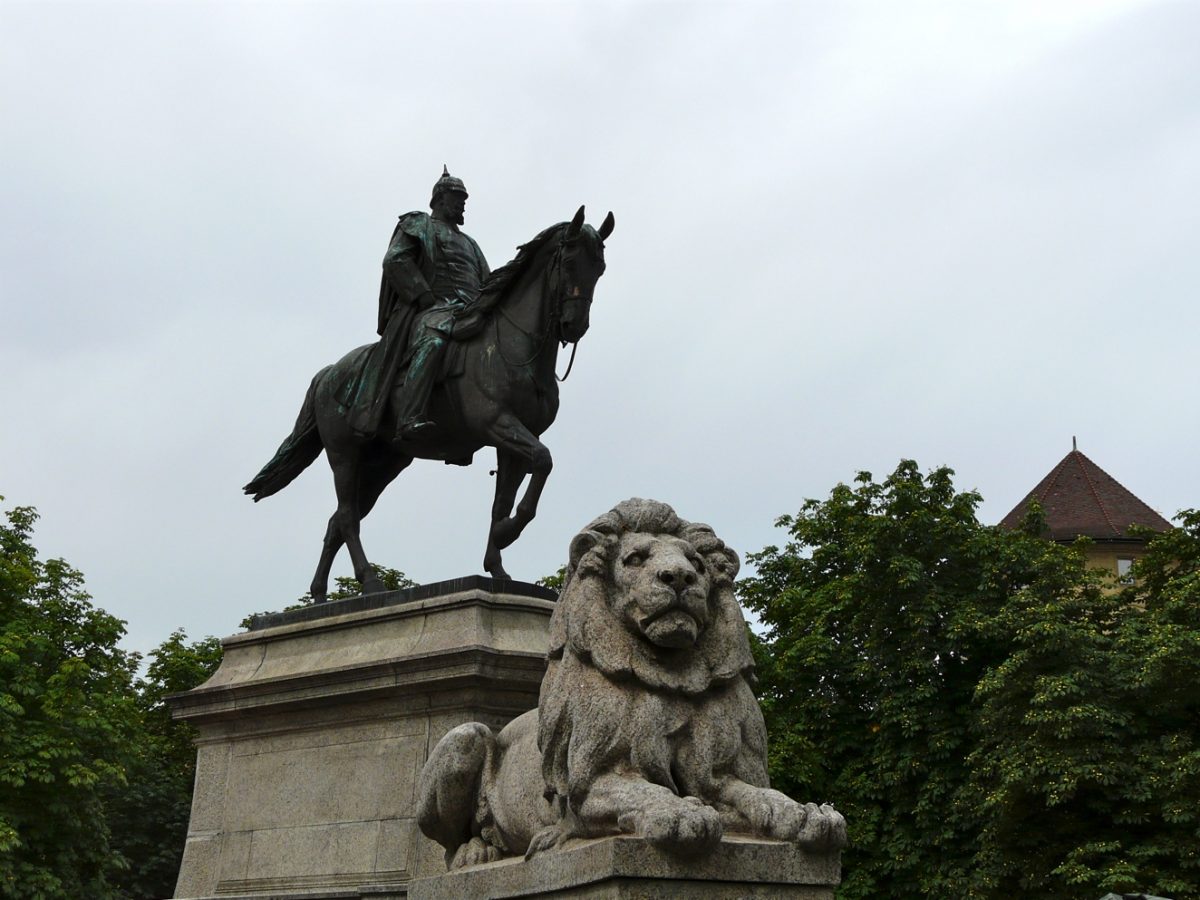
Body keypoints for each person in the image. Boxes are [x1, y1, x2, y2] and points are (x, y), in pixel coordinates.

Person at [347, 167, 490, 440]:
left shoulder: (470, 243)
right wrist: (423, 294)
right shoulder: (418, 224)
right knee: (434, 343)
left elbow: (486, 280)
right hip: (432, 309)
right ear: (439, 199)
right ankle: (409, 417)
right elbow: (395, 260)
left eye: (464, 199)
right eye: (457, 197)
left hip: (470, 311)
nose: (462, 204)